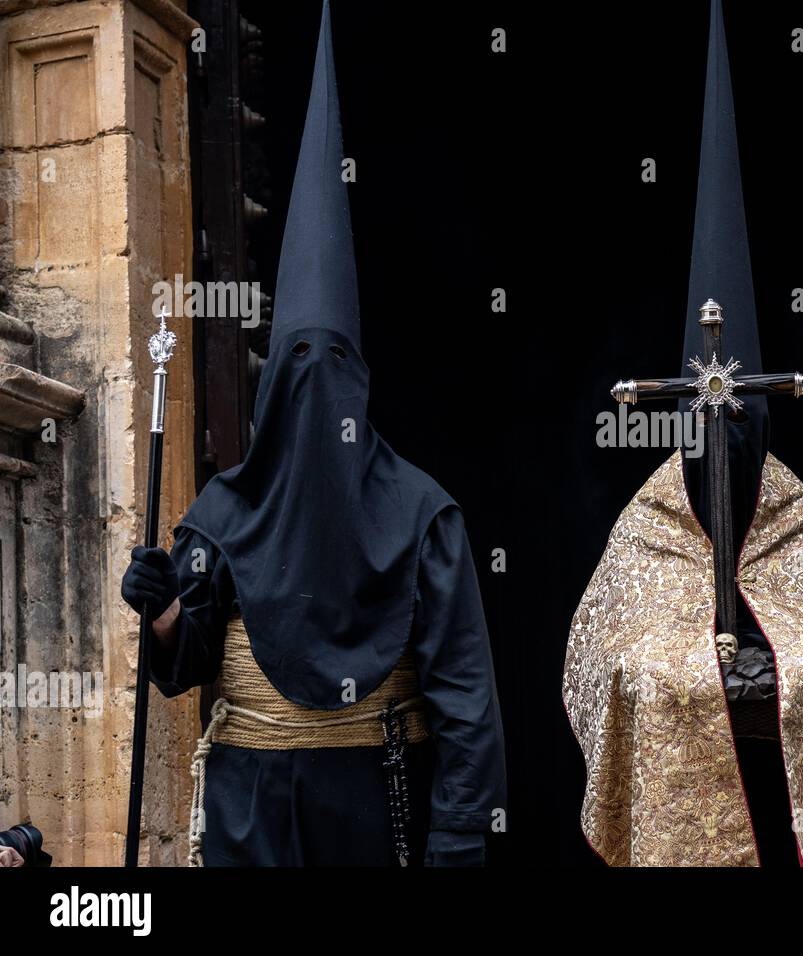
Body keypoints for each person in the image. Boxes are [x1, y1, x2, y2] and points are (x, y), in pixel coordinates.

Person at [120, 0, 504, 867]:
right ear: (274, 390)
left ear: (360, 386)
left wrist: (457, 845)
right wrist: (163, 608)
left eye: (332, 364)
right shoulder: (222, 512)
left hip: (380, 808)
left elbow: (467, 703)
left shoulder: (422, 516)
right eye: (300, 367)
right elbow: (182, 666)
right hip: (248, 808)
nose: (317, 384)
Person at [562, 0, 803, 867]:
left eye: (739, 423)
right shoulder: (645, 536)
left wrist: (781, 681)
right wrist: (702, 678)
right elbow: (599, 673)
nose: (720, 451)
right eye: (703, 424)